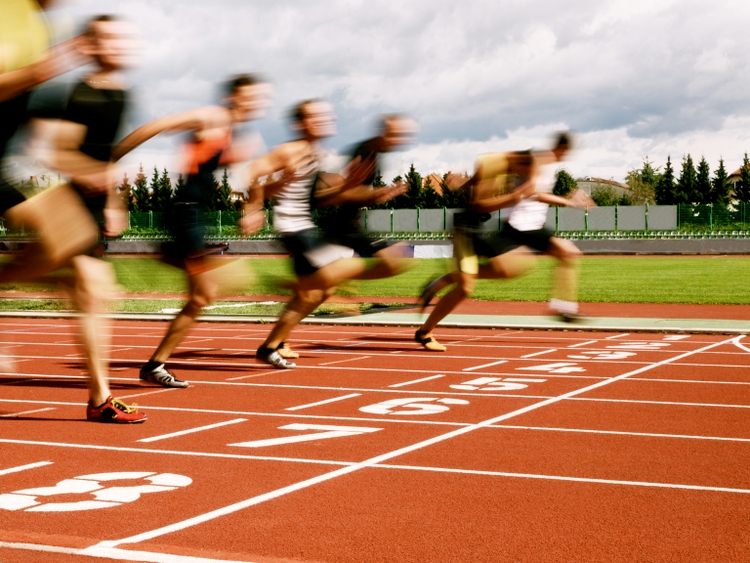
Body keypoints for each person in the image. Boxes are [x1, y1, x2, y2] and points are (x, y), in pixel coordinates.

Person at [0, 12, 146, 422]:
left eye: (124, 38)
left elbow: (103, 154)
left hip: (47, 186)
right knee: (86, 276)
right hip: (22, 180)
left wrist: (114, 198)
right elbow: (57, 152)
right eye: (110, 38)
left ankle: (100, 398)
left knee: (91, 284)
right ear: (93, 44)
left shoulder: (119, 94)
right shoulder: (76, 89)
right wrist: (95, 174)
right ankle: (100, 397)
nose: (121, 45)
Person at [111, 74, 271, 388]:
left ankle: (167, 256)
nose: (256, 103)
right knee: (205, 294)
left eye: (261, 98)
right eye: (251, 96)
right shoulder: (211, 118)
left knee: (208, 291)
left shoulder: (239, 134)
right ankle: (155, 366)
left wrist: (254, 207)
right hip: (185, 214)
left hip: (199, 215)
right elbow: (153, 126)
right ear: (234, 97)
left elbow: (254, 173)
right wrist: (109, 158)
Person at [251, 99, 399, 368]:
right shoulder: (290, 150)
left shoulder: (316, 154)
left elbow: (321, 198)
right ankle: (291, 285)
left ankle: (270, 346)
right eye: (315, 116)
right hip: (293, 229)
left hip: (306, 227)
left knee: (314, 296)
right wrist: (253, 209)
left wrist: (360, 190)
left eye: (326, 115)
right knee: (360, 264)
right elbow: (253, 173)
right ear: (300, 123)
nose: (325, 119)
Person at [416, 133, 583, 351]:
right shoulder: (492, 164)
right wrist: (514, 197)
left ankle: (444, 280)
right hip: (465, 231)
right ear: (519, 162)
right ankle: (425, 332)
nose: (526, 176)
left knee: (513, 266)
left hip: (483, 228)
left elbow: (476, 187)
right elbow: (477, 205)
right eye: (526, 170)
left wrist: (463, 184)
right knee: (465, 288)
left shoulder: (506, 166)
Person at [276, 113, 417, 359]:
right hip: (342, 225)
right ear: (383, 132)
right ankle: (320, 281)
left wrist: (375, 194)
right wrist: (376, 193)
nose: (400, 139)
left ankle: (316, 285)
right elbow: (342, 193)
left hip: (348, 224)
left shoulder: (374, 155)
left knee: (318, 293)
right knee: (398, 257)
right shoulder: (363, 152)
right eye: (396, 133)